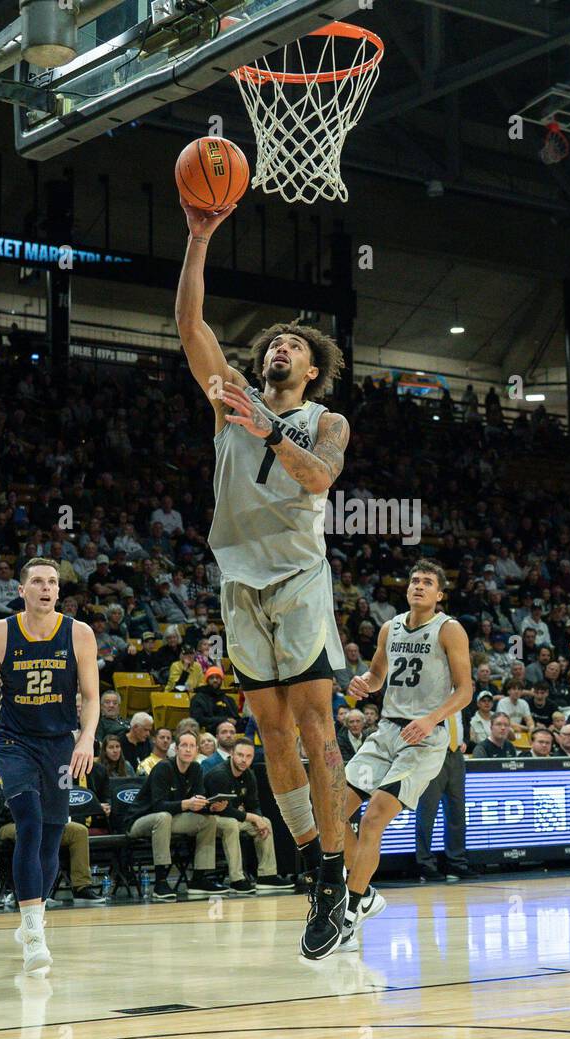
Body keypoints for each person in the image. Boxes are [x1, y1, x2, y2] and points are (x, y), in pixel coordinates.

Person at [177, 197, 352, 959]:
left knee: (317, 729)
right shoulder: (230, 402)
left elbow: (319, 481)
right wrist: (196, 241)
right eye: (273, 342)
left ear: (312, 369)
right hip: (238, 582)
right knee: (272, 732)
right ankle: (315, 860)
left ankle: (339, 877)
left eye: (292, 345)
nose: (278, 348)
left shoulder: (322, 420)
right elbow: (191, 327)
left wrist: (270, 428)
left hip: (298, 580)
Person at [0, 558, 99, 975]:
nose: (46, 588)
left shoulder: (80, 634)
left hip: (58, 744)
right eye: (37, 581)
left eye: (52, 582)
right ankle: (33, 930)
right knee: (30, 823)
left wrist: (86, 737)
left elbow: (91, 697)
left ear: (58, 591)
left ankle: (35, 912)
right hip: (14, 741)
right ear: (21, 590)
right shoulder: (1, 632)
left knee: (54, 833)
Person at [340, 560, 472, 946]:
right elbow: (378, 675)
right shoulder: (390, 627)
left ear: (439, 594)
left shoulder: (449, 629)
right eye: (414, 580)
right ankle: (363, 895)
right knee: (332, 812)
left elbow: (464, 690)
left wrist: (432, 720)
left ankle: (349, 907)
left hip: (424, 739)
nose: (418, 586)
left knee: (374, 817)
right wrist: (365, 682)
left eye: (428, 582)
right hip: (385, 731)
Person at [124, 730, 227, 901]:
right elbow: (158, 806)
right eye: (184, 746)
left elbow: (198, 804)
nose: (188, 750)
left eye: (192, 746)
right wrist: (186, 804)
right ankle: (160, 881)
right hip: (140, 820)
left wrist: (212, 808)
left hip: (170, 819)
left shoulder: (196, 769)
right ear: (176, 749)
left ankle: (199, 878)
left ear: (197, 751)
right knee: (163, 816)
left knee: (208, 821)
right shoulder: (163, 768)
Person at [205, 739, 292, 894]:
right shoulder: (219, 774)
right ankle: (236, 879)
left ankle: (267, 875)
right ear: (231, 754)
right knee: (231, 823)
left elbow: (254, 803)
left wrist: (258, 818)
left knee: (265, 822)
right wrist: (253, 817)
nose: (244, 760)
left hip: (235, 816)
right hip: (210, 819)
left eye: (248, 756)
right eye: (240, 755)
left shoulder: (249, 775)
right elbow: (223, 810)